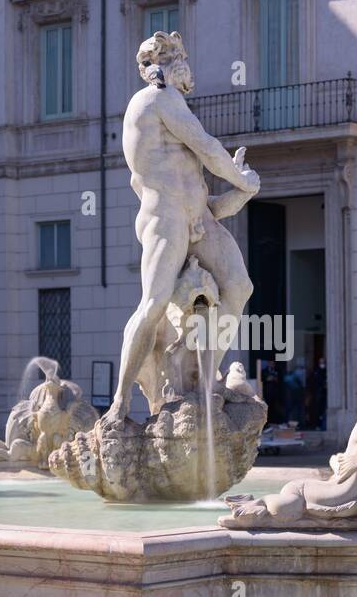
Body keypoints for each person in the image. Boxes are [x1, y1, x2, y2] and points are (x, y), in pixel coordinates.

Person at [105, 30, 260, 423]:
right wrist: (240, 179)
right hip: (165, 216)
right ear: (171, 64)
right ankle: (120, 401)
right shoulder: (157, 100)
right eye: (183, 61)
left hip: (198, 218)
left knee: (239, 287)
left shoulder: (170, 108)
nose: (189, 71)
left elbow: (209, 203)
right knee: (154, 304)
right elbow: (208, 147)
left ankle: (205, 380)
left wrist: (244, 191)